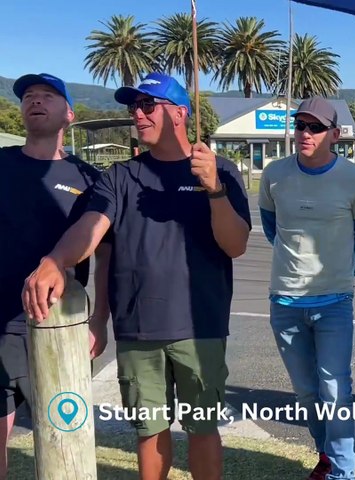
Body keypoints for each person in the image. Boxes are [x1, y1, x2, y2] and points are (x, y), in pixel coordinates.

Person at [22, 72, 251, 480]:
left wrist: (214, 188)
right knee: (149, 431)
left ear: (180, 113)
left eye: (148, 105)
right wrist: (56, 259)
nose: (137, 115)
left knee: (202, 429)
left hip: (200, 326)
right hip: (138, 328)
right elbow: (91, 227)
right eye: (133, 108)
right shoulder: (119, 176)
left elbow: (235, 244)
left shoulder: (223, 172)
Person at [258, 97, 355, 480]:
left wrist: (343, 273)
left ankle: (344, 472)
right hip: (285, 302)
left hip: (335, 301)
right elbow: (272, 226)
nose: (305, 134)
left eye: (315, 127)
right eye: (300, 126)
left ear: (335, 134)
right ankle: (327, 454)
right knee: (307, 393)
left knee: (335, 388)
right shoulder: (274, 174)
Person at [0, 73, 111, 480]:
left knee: (65, 442)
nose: (35, 101)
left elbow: (106, 256)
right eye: (29, 96)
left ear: (69, 113)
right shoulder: (2, 164)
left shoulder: (91, 181)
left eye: (47, 96)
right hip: (2, 326)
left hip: (59, 330)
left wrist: (98, 320)